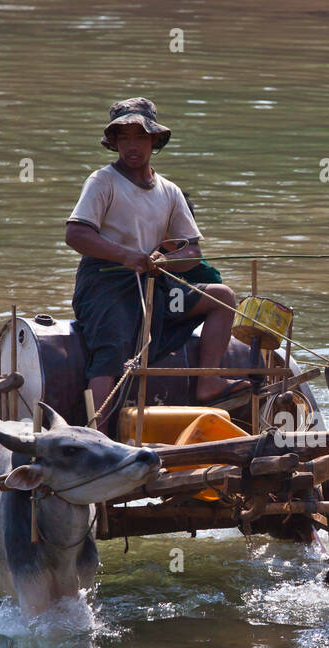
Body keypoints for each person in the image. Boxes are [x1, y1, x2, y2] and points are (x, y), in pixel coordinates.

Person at [64, 97, 250, 429]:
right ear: (114, 142)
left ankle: (208, 381)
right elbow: (76, 234)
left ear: (154, 140)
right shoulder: (102, 181)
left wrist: (166, 261)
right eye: (123, 138)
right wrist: (125, 256)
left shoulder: (169, 191)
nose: (131, 146)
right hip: (105, 283)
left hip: (154, 283)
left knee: (221, 297)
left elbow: (192, 251)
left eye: (139, 137)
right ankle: (97, 433)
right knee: (111, 350)